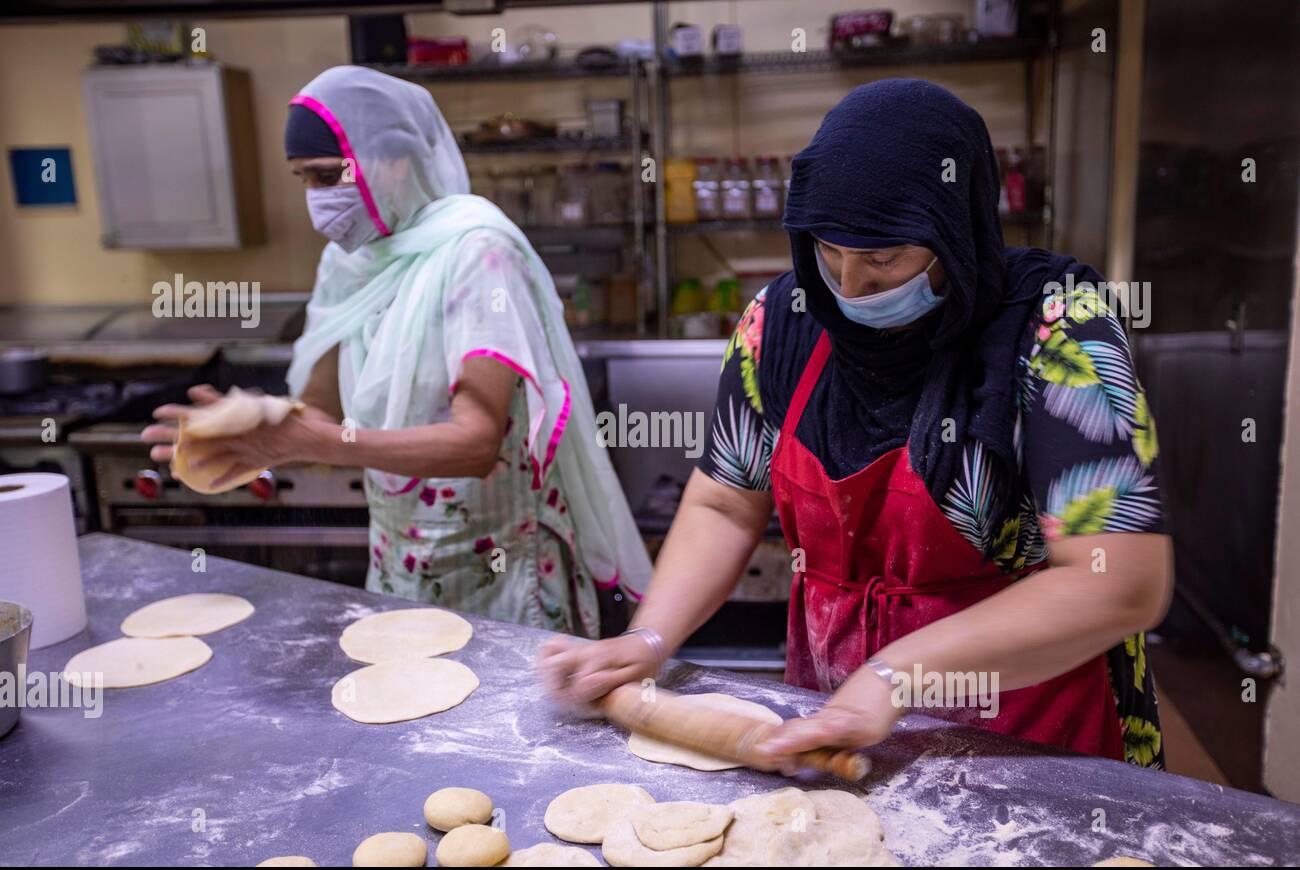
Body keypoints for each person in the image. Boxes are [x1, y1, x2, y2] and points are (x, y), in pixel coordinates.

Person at [540, 79, 1172, 769]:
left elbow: (1117, 581)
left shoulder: (1058, 329)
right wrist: (649, 640)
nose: (850, 287)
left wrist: (897, 675)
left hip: (1026, 731)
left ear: (954, 235)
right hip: (838, 721)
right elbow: (725, 504)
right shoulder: (779, 323)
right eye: (829, 252)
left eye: (882, 259)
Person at [145, 66, 650, 636]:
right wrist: (258, 427)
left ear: (393, 160)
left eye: (327, 174)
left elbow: (477, 442)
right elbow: (321, 412)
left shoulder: (476, 252)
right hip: (401, 566)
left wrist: (322, 443)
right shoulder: (352, 262)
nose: (315, 197)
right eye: (302, 179)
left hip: (501, 575)